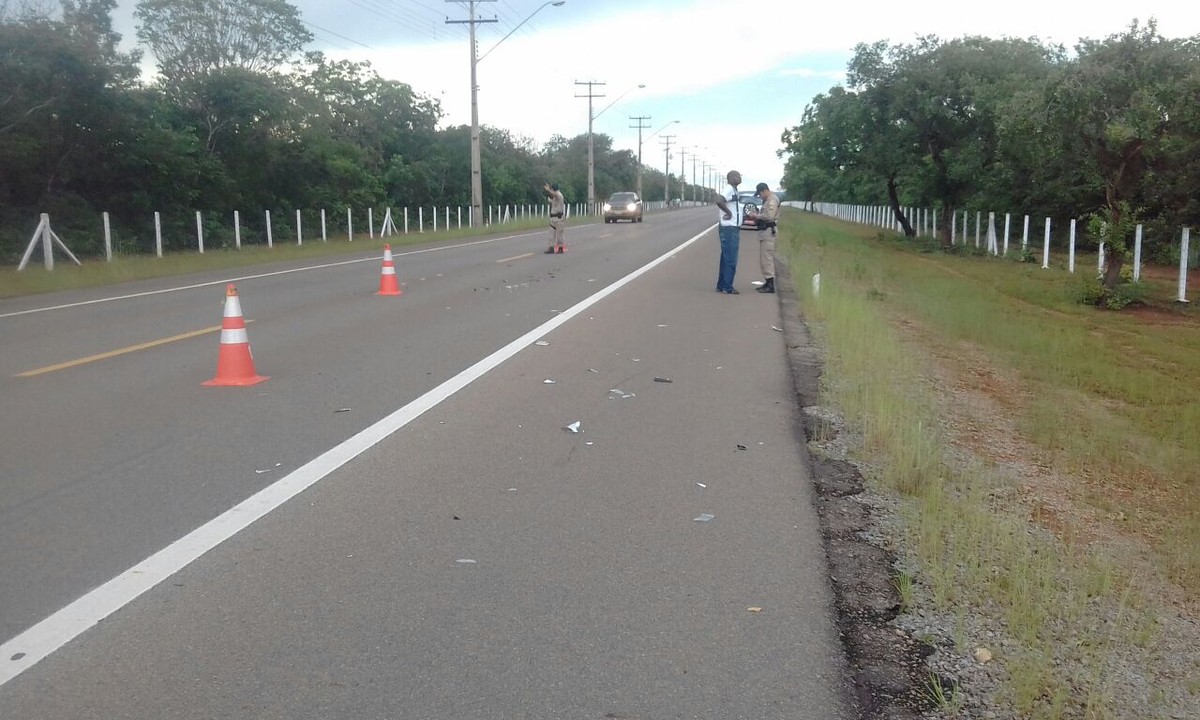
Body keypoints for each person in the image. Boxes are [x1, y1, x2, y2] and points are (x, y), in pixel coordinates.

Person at [712, 170, 744, 294]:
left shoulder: (734, 190)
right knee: (731, 258)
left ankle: (722, 284)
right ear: (730, 178)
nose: (739, 177)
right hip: (729, 228)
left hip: (731, 227)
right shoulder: (729, 188)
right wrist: (729, 213)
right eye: (736, 175)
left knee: (726, 258)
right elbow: (719, 200)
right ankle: (727, 286)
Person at [746, 182, 781, 293]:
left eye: (760, 194)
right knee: (764, 259)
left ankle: (770, 285)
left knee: (767, 259)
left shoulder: (772, 200)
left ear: (764, 191)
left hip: (769, 231)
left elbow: (769, 215)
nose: (760, 196)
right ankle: (767, 282)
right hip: (765, 231)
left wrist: (756, 216)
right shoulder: (768, 200)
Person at [543, 182, 566, 254]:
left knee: (559, 234)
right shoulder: (555, 197)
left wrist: (548, 190)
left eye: (552, 189)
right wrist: (547, 195)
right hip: (553, 218)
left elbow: (554, 194)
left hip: (559, 218)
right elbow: (551, 200)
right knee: (551, 234)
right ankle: (551, 248)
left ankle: (560, 248)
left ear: (553, 189)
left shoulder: (559, 195)